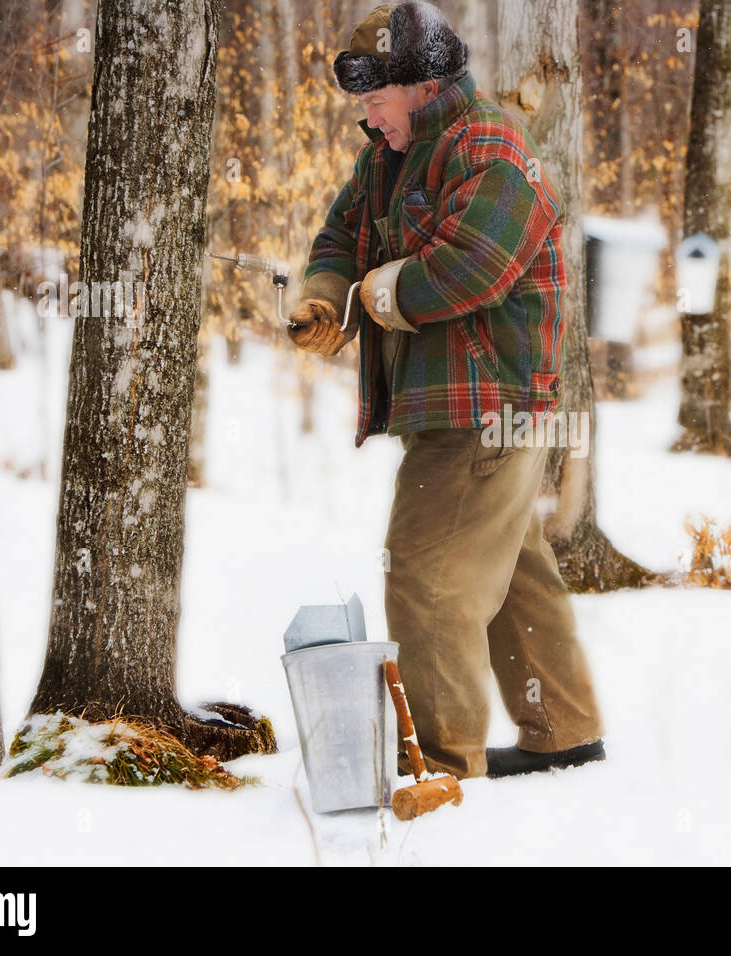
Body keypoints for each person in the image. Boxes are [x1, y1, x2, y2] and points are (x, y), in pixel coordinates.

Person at [287, 1, 605, 780]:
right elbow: (340, 237)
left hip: (488, 408)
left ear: (423, 84)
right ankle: (562, 730)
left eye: (376, 98)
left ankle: (435, 766)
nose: (367, 115)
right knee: (509, 566)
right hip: (459, 408)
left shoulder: (488, 146)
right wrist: (327, 295)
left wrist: (373, 298)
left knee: (424, 569)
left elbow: (476, 267)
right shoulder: (386, 157)